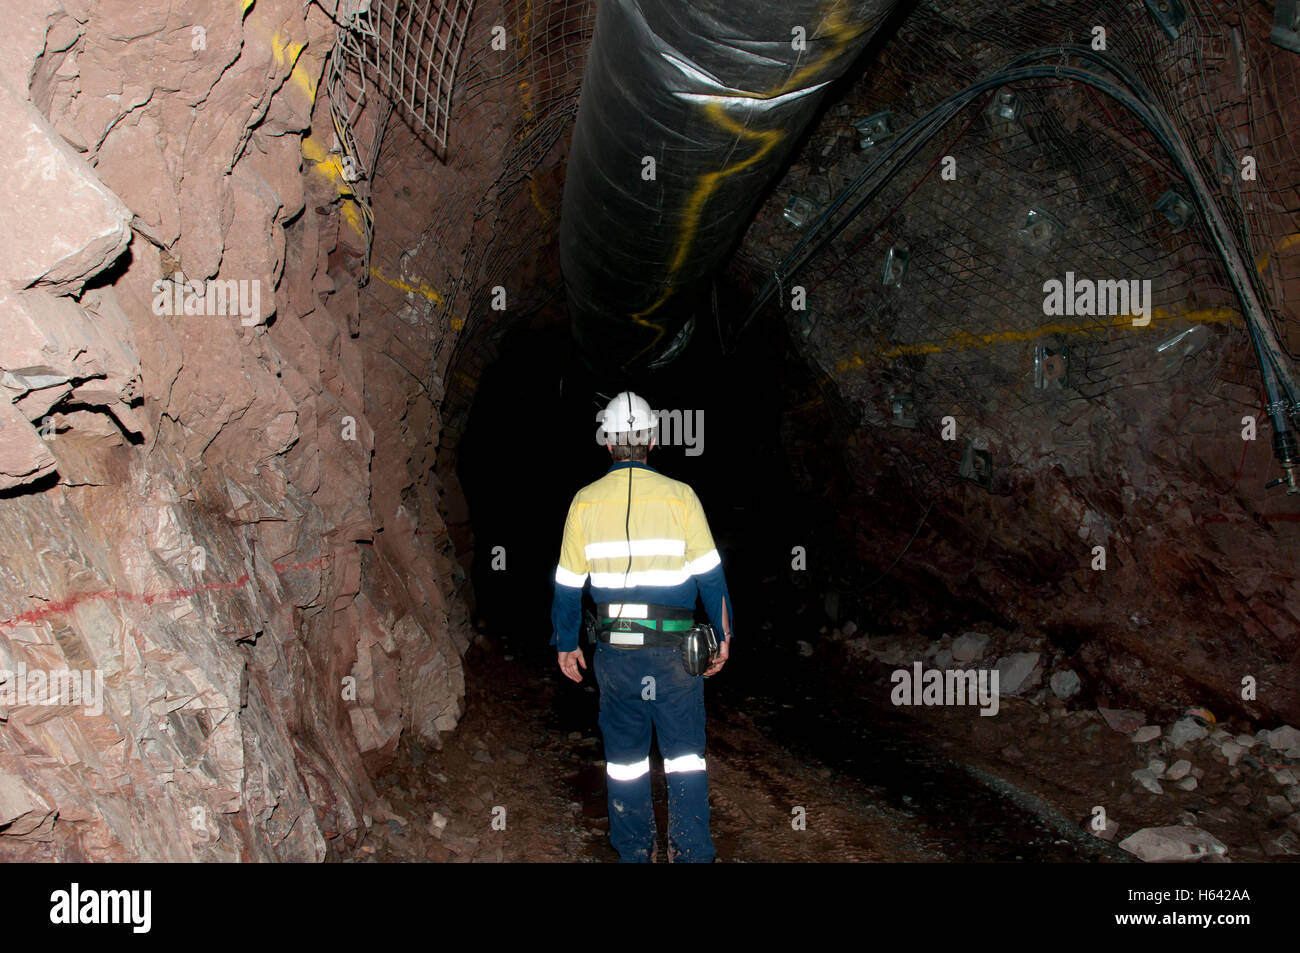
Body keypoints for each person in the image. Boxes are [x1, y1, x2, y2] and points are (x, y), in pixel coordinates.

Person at [550, 391, 734, 862]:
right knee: (685, 758)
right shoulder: (681, 497)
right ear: (652, 440)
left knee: (626, 762)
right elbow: (711, 578)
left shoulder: (584, 502)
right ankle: (691, 853)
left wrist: (566, 642)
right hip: (677, 655)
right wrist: (724, 637)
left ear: (608, 442)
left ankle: (634, 853)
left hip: (617, 655)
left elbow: (568, 586)